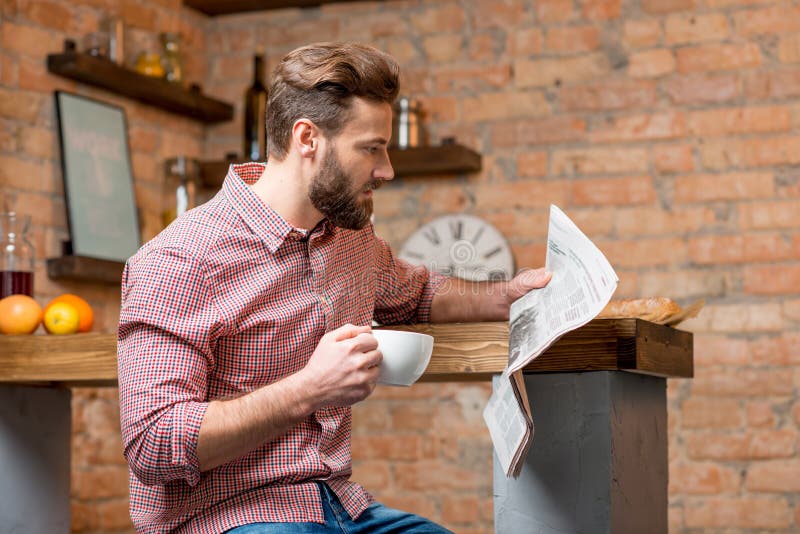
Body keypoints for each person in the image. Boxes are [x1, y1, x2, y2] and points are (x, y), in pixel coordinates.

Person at [117, 42, 551, 534]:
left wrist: (504, 294)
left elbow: (419, 292)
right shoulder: (181, 259)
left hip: (341, 507)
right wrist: (308, 389)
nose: (386, 170)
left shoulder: (348, 238)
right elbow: (153, 444)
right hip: (228, 517)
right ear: (308, 139)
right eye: (371, 148)